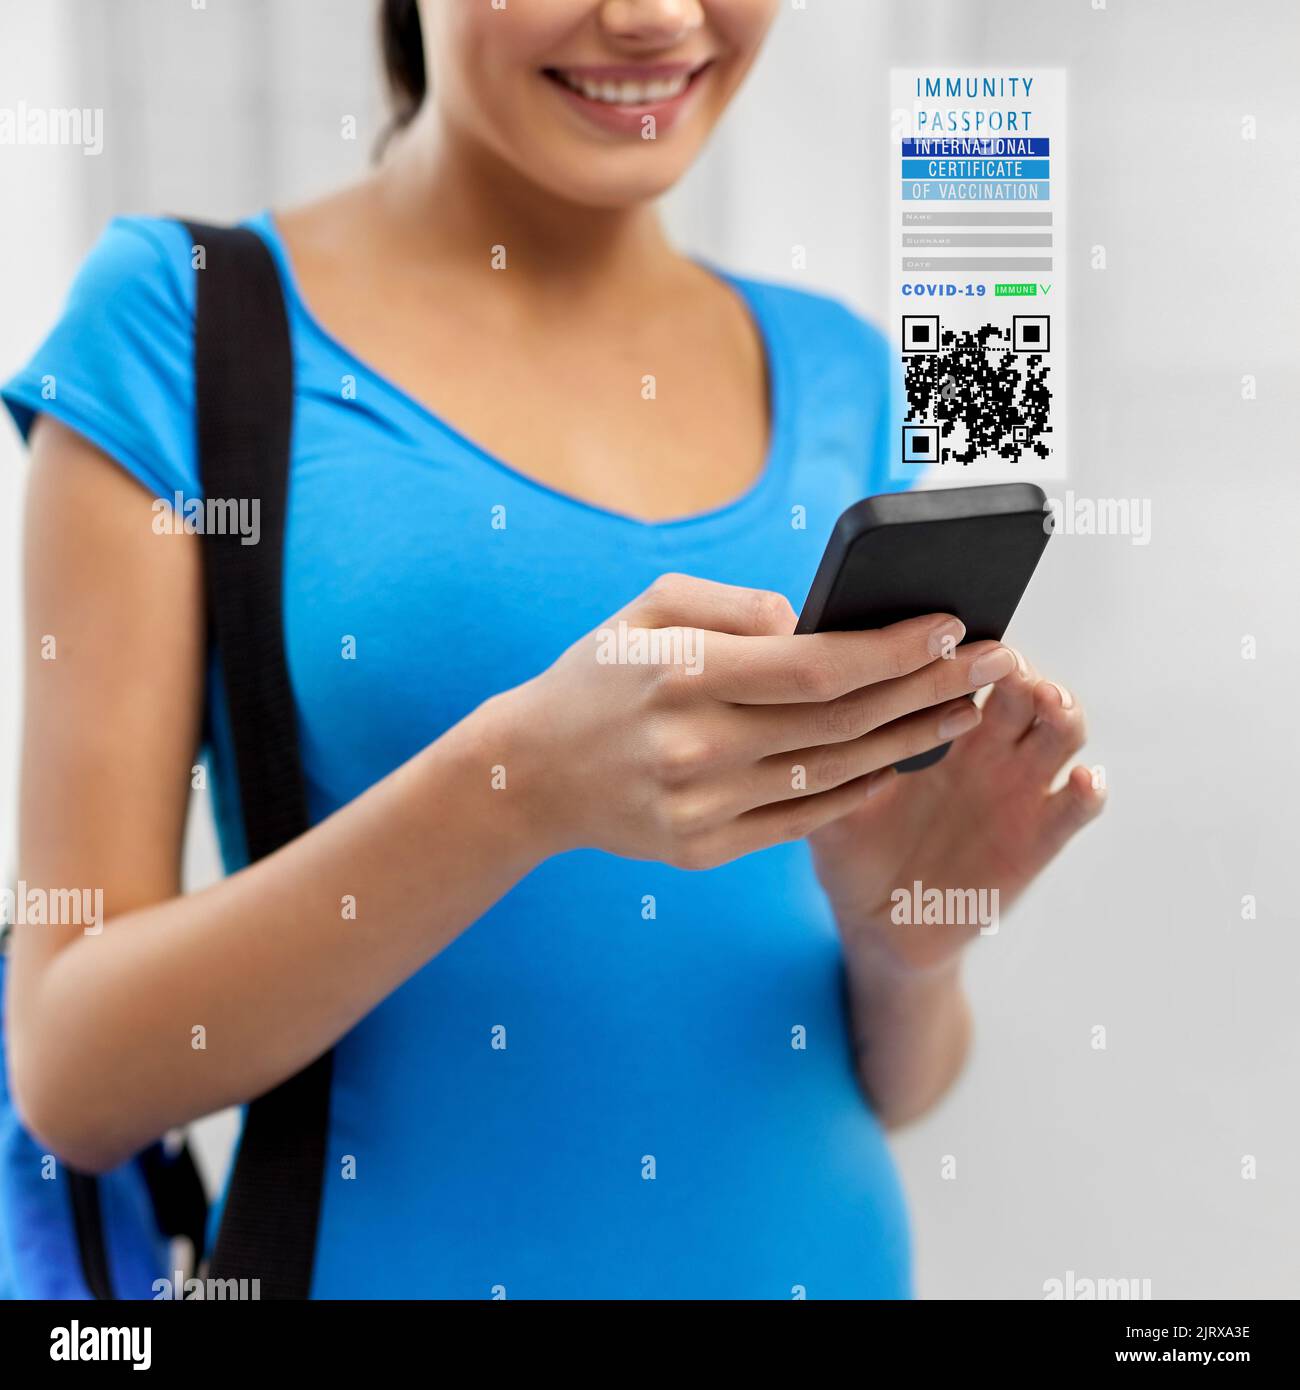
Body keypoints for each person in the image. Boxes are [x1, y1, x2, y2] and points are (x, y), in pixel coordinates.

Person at [1, 0, 1103, 1297]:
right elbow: (71, 1072)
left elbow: (897, 1079)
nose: (652, 17)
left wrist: (909, 937)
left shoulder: (848, 372)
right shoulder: (180, 326)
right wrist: (520, 787)